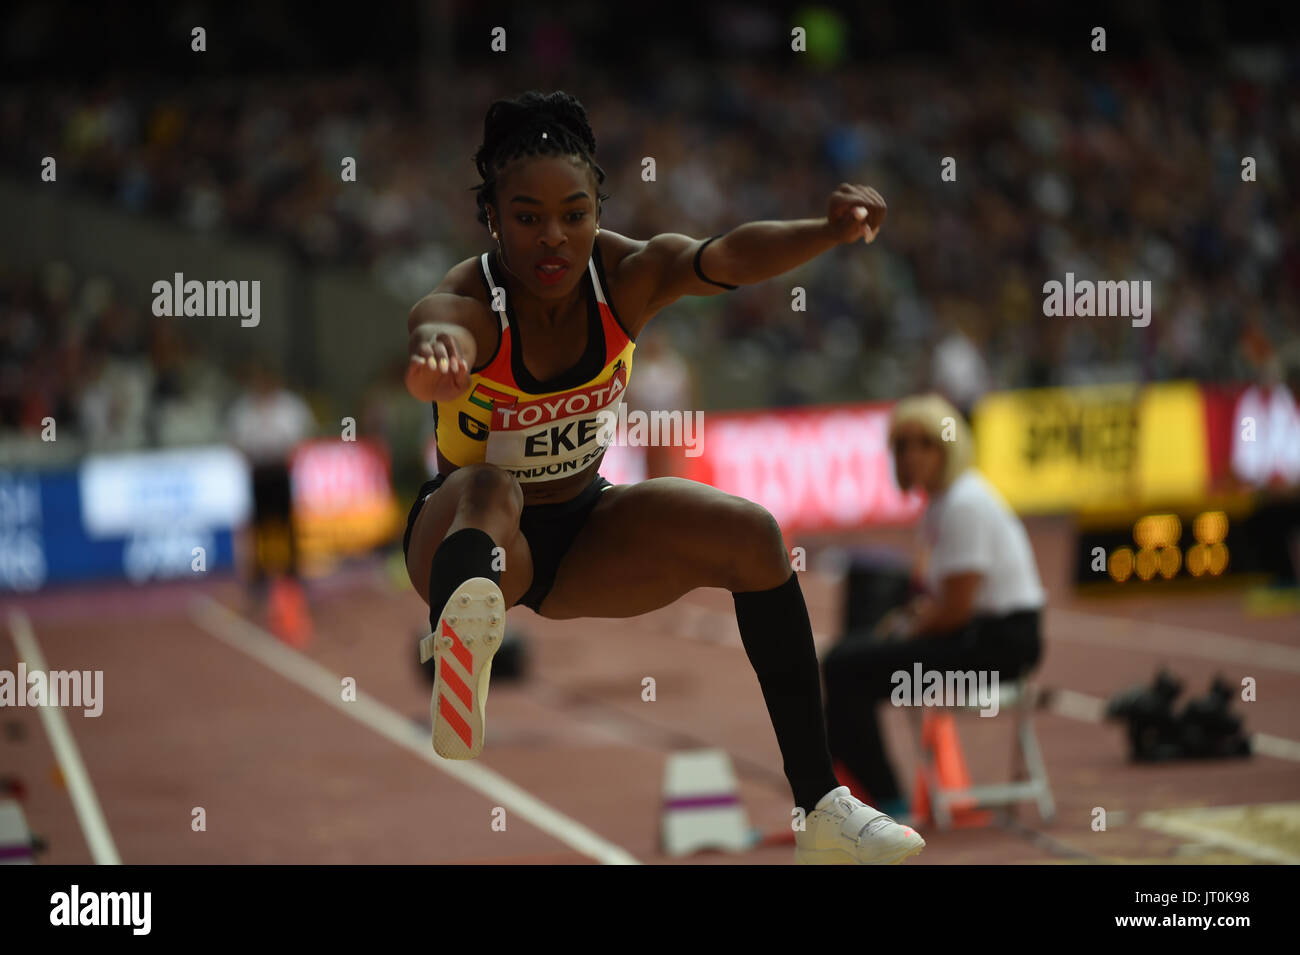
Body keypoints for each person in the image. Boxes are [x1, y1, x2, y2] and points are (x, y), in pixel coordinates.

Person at [401, 90, 923, 864]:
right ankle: (460, 645)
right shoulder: (473, 303)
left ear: (597, 211)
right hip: (468, 537)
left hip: (581, 537)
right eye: (527, 217)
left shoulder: (629, 276)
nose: (554, 237)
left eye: (574, 214)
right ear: (492, 218)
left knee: (754, 535)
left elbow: (729, 256)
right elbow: (433, 329)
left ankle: (822, 806)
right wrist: (438, 362)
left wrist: (824, 231)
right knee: (492, 486)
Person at [822, 393, 1046, 820]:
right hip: (978, 637)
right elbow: (942, 602)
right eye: (901, 446)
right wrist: (903, 624)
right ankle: (866, 793)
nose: (909, 456)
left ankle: (885, 799)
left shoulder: (964, 503)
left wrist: (904, 631)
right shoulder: (943, 504)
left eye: (922, 443)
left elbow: (957, 609)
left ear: (947, 448)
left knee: (844, 666)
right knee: (848, 659)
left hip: (997, 648)